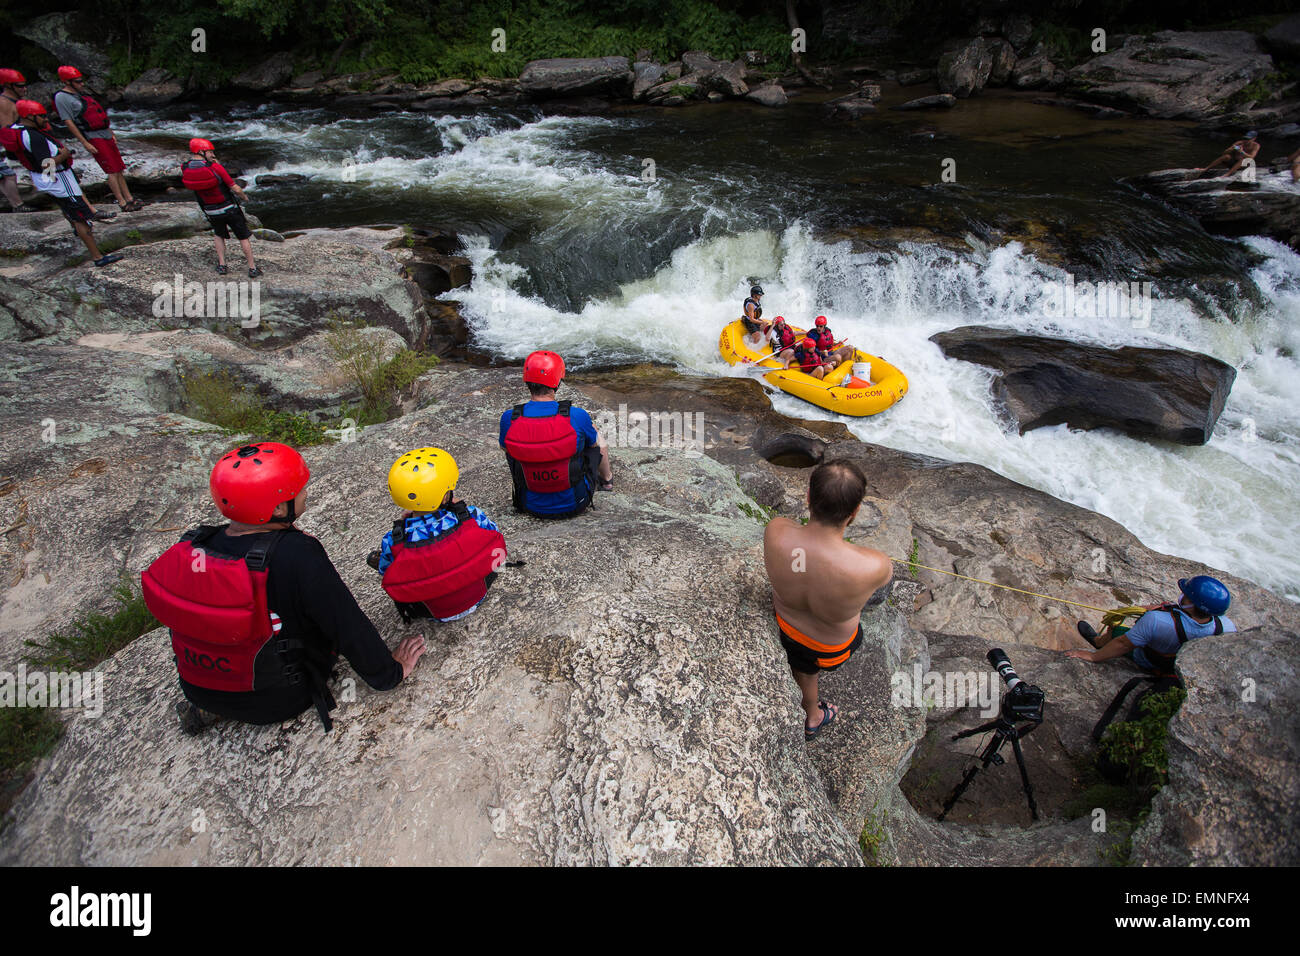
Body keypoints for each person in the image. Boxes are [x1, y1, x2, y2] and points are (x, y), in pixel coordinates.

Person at [142, 441, 426, 735]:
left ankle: (216, 706)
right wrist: (389, 673)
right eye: (298, 490)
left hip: (199, 690)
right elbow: (345, 624)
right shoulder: (297, 554)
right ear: (278, 508)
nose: (305, 493)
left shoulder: (198, 545)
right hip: (279, 698)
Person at [763, 460, 893, 740]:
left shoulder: (776, 530)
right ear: (855, 512)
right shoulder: (874, 565)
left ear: (808, 497)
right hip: (833, 648)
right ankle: (813, 715)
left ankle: (812, 713)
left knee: (805, 668)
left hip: (786, 627)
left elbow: (805, 555)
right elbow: (882, 586)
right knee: (810, 666)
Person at [369, 447, 506, 624]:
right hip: (478, 594)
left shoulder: (393, 540)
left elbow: (386, 572)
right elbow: (492, 535)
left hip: (432, 612)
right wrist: (461, 510)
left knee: (384, 561)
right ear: (444, 497)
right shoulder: (471, 515)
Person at [0, 100, 121, 266]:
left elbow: (18, 157)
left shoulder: (16, 129)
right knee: (82, 217)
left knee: (67, 208)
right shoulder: (34, 137)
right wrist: (64, 155)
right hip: (57, 178)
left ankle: (77, 228)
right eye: (42, 116)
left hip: (44, 178)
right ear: (29, 117)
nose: (46, 119)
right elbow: (46, 164)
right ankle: (98, 257)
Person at [499, 350, 612, 517]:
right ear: (558, 380)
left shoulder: (510, 418)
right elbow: (594, 445)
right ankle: (607, 480)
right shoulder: (576, 415)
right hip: (577, 502)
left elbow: (506, 449)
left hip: (529, 505)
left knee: (511, 448)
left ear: (527, 380)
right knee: (593, 435)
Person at [1065, 576, 1236, 674]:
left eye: (1186, 595)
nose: (1182, 595)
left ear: (1192, 604)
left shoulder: (1156, 620)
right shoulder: (1227, 627)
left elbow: (1123, 644)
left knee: (1116, 629)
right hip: (1179, 666)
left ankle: (1098, 642)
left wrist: (1093, 657)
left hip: (1150, 660)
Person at [53, 65, 142, 211]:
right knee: (111, 170)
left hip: (104, 133)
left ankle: (129, 198)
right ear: (67, 82)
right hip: (93, 137)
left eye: (81, 81)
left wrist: (110, 132)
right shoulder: (62, 97)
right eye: (78, 81)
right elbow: (69, 122)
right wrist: (85, 143)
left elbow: (98, 114)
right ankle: (122, 202)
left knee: (119, 167)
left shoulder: (80, 94)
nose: (82, 84)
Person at [181, 137, 261, 277]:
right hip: (228, 208)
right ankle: (252, 267)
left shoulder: (185, 168)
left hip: (210, 210)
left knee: (218, 235)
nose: (213, 155)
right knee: (243, 237)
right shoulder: (215, 168)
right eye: (210, 152)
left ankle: (222, 265)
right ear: (201, 151)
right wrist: (244, 197)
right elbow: (235, 188)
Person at [0, 68, 36, 212]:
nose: (24, 89)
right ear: (8, 86)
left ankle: (17, 205)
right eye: (20, 86)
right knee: (8, 175)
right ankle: (18, 206)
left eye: (24, 85)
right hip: (11, 143)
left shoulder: (13, 101)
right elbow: (8, 129)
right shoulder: (4, 103)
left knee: (6, 175)